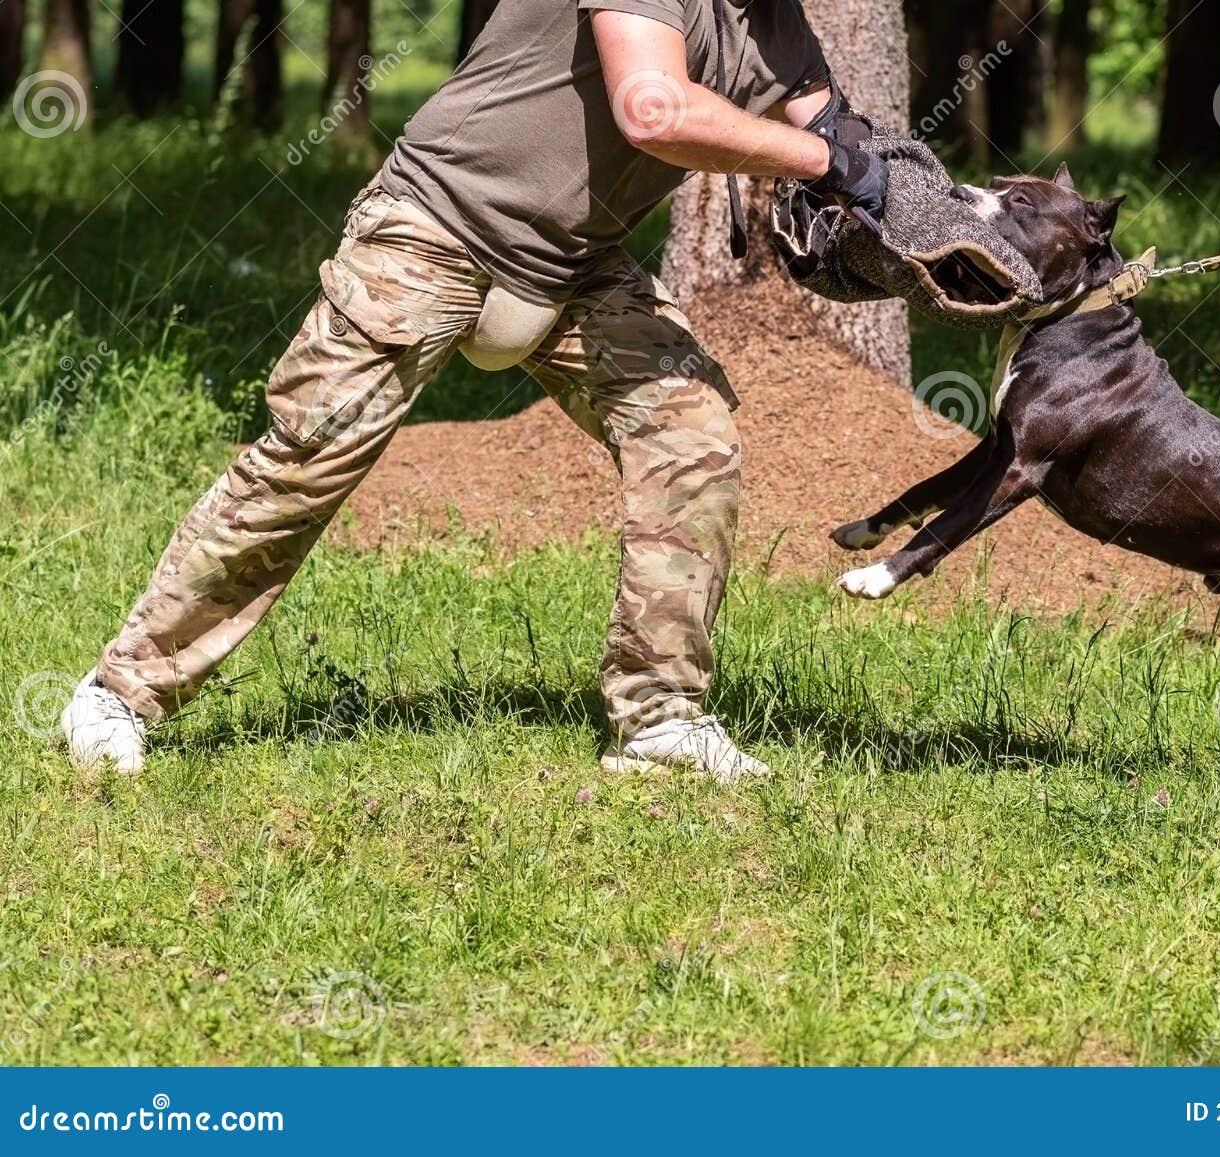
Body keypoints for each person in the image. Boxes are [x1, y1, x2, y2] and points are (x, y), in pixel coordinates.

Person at [61, 0, 886, 783]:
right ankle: (119, 692)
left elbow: (830, 126)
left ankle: (661, 717)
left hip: (575, 260)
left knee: (690, 433)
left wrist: (919, 198)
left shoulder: (776, 23)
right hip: (437, 226)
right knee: (305, 462)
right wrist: (824, 161)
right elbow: (654, 108)